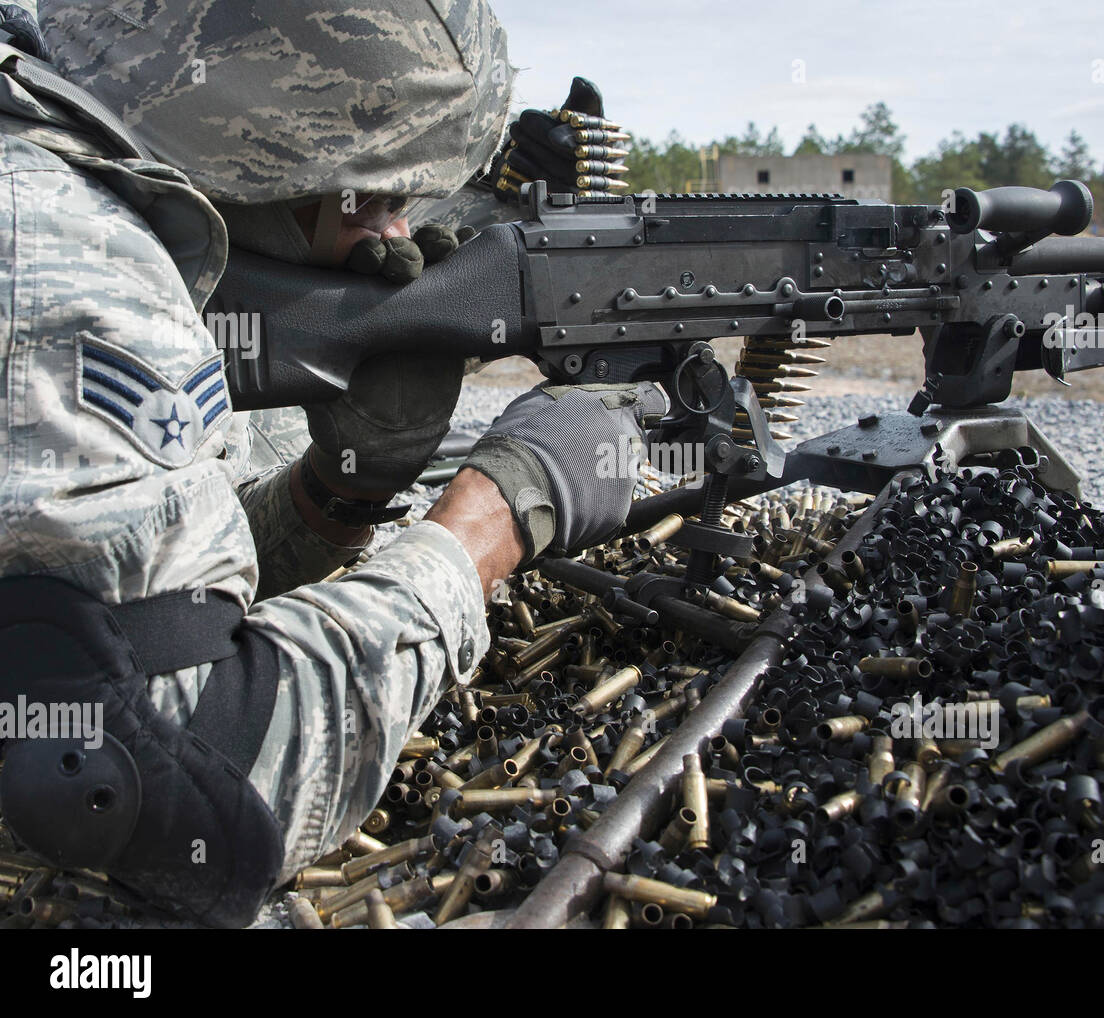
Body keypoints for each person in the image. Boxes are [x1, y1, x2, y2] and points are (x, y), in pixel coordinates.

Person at [0, 0, 658, 927]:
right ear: (262, 147)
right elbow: (158, 786)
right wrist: (499, 513)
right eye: (378, 194)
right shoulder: (62, 257)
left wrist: (345, 486)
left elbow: (153, 611)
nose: (394, 236)